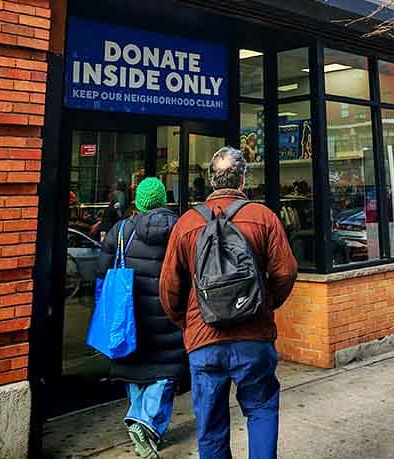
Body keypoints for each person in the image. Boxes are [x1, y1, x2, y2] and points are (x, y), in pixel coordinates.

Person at [159, 146, 298, 459]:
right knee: (261, 410)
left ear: (211, 180)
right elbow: (286, 271)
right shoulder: (264, 217)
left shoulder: (186, 223)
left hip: (204, 338)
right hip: (254, 336)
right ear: (243, 180)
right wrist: (265, 303)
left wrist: (188, 321)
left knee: (210, 427)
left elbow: (169, 288)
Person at [97, 177, 189, 458]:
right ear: (163, 200)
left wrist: (104, 311)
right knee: (165, 374)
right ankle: (146, 422)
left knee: (134, 371)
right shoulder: (179, 230)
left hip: (130, 317)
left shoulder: (120, 230)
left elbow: (102, 277)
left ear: (138, 202)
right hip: (167, 314)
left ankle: (140, 421)